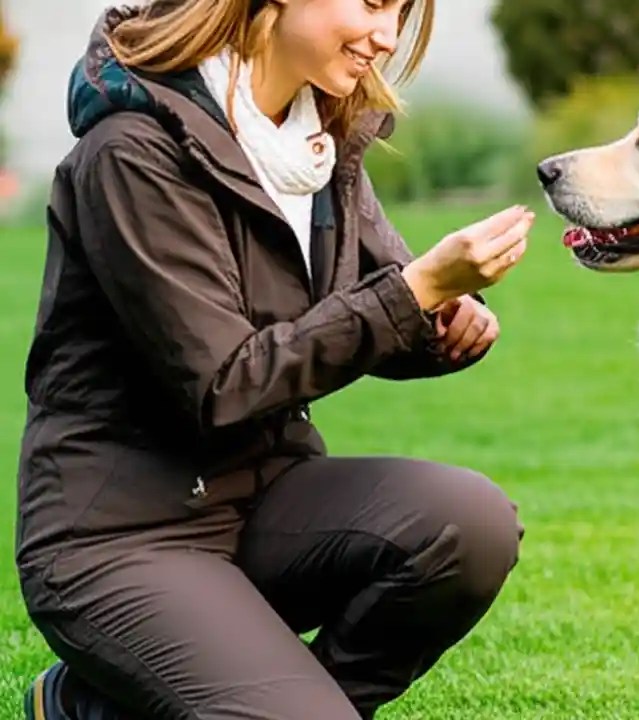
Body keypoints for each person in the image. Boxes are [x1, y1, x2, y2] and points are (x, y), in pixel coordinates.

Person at [15, 0, 532, 718]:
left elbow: (364, 305)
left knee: (465, 524)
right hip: (121, 538)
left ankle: (100, 710)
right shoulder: (131, 151)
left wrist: (441, 320)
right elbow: (224, 383)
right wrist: (416, 291)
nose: (387, 37)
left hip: (264, 499)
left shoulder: (316, 138)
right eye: (374, 4)